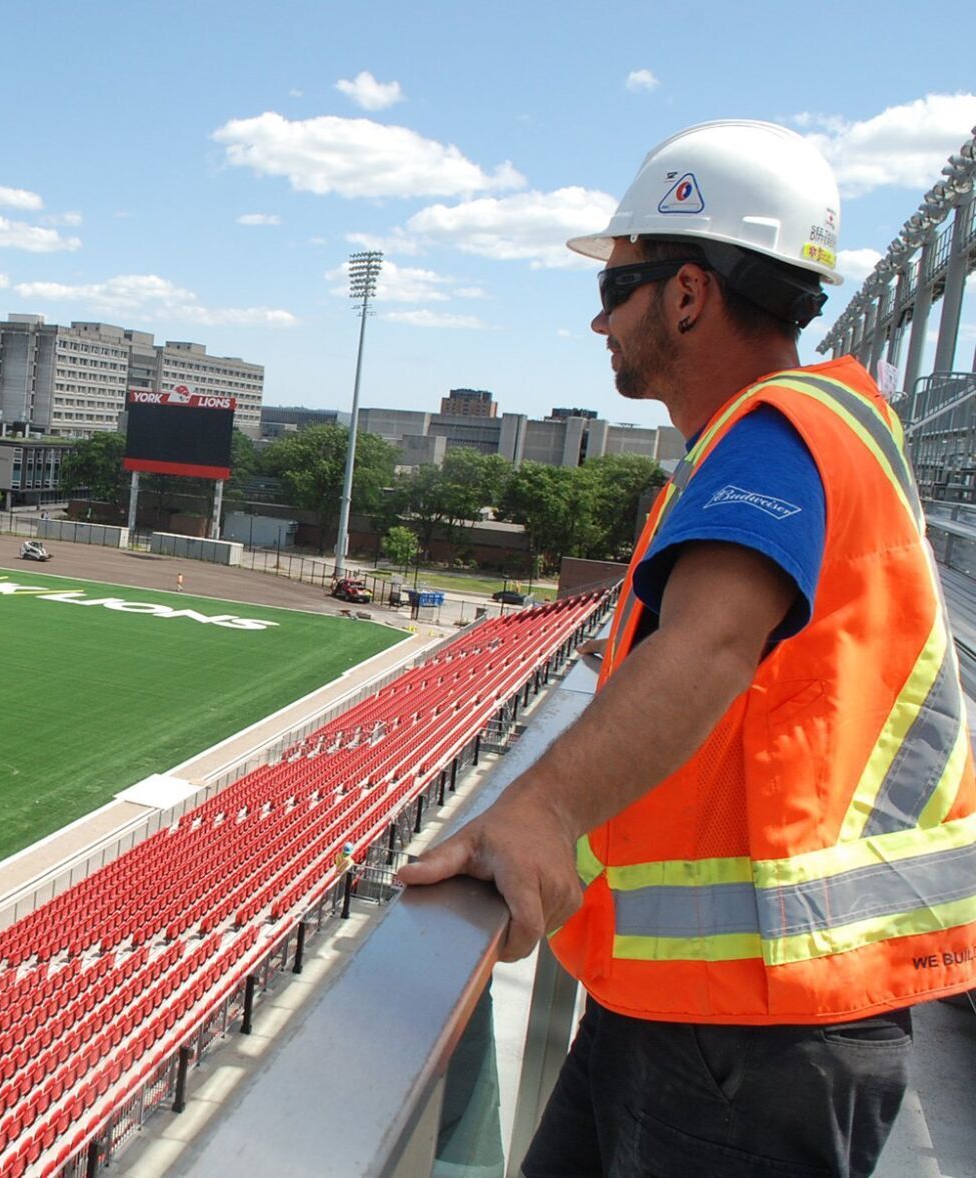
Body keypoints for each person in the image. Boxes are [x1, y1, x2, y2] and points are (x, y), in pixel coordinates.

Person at [399, 120, 976, 1177]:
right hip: (710, 1010)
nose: (596, 320)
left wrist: (538, 809)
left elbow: (711, 638)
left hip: (757, 1029)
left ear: (686, 294)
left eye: (616, 288)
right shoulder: (796, 432)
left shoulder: (779, 431)